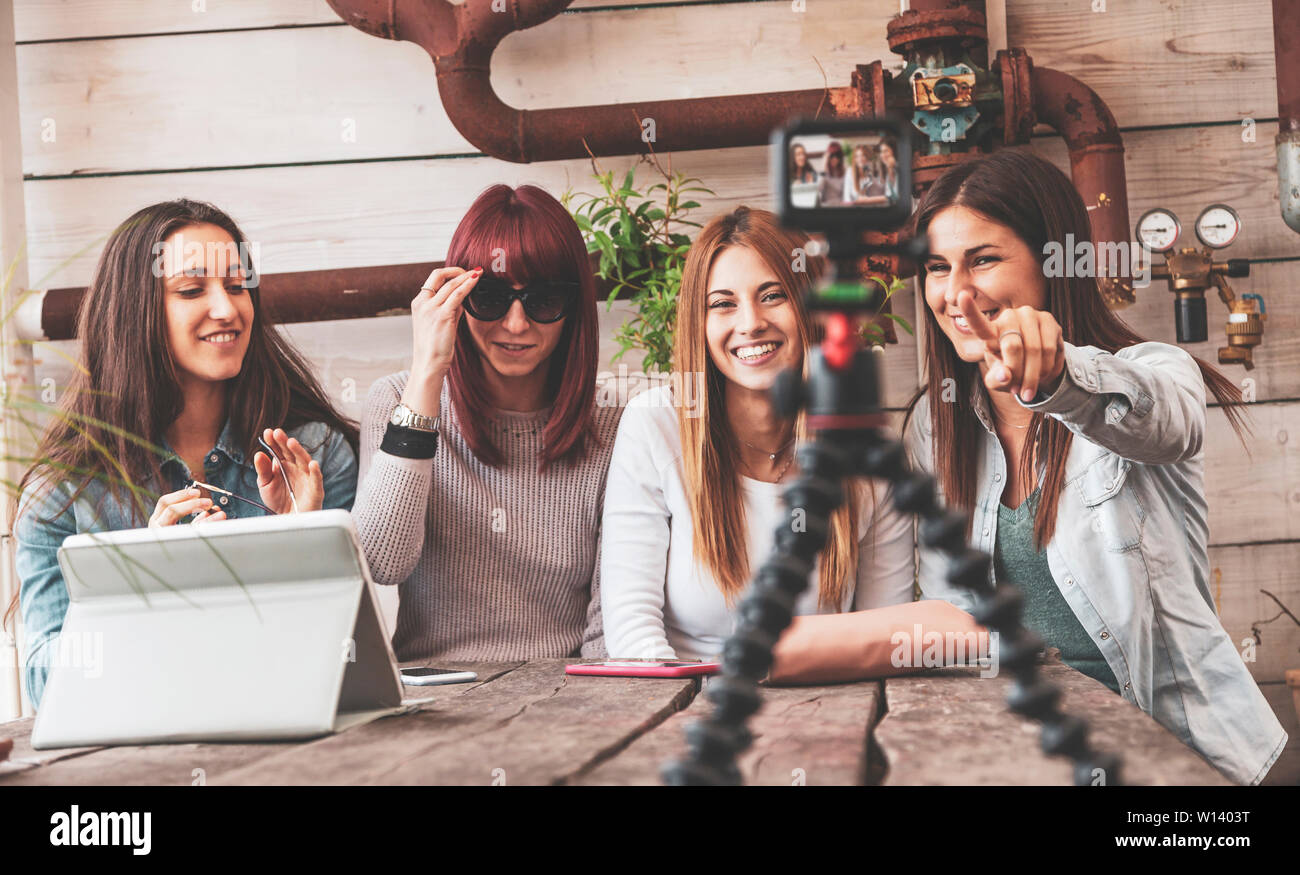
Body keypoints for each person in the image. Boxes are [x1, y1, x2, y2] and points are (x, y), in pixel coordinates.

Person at [903, 149, 1286, 784]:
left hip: (1172, 757)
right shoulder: (934, 423)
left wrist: (1057, 379)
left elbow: (1169, 421)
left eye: (984, 259)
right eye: (938, 268)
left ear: (1053, 260)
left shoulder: (1154, 371)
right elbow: (956, 614)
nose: (955, 293)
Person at [601, 206, 984, 683]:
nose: (751, 322)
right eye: (723, 304)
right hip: (683, 710)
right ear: (698, 322)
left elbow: (885, 635)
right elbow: (633, 638)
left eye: (774, 295)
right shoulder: (655, 424)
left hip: (828, 708)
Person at [12, 199, 359, 708]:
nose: (228, 308)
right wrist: (147, 588)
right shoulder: (64, 494)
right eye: (192, 290)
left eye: (238, 286)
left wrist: (296, 542)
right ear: (137, 312)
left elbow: (341, 659)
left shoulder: (312, 456)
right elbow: (47, 689)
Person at [350, 184, 621, 662]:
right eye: (492, 298)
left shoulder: (613, 424)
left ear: (575, 308)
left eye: (543, 300)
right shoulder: (398, 399)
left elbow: (609, 619)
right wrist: (426, 372)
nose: (516, 324)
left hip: (565, 692)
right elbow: (381, 561)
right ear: (457, 298)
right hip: (436, 694)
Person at [816, 141, 848, 207]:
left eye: (837, 156)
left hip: (841, 205)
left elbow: (847, 194)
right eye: (832, 156)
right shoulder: (823, 172)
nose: (835, 158)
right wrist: (824, 167)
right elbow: (818, 189)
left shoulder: (844, 172)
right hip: (827, 206)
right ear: (828, 157)